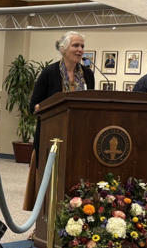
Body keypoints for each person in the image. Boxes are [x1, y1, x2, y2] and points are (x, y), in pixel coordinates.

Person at [23, 31, 94, 210]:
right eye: (75, 45)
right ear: (63, 49)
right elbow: (34, 106)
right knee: (48, 183)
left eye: (82, 46)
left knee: (75, 181)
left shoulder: (88, 74)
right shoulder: (49, 72)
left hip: (79, 138)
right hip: (50, 138)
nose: (80, 50)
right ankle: (42, 225)